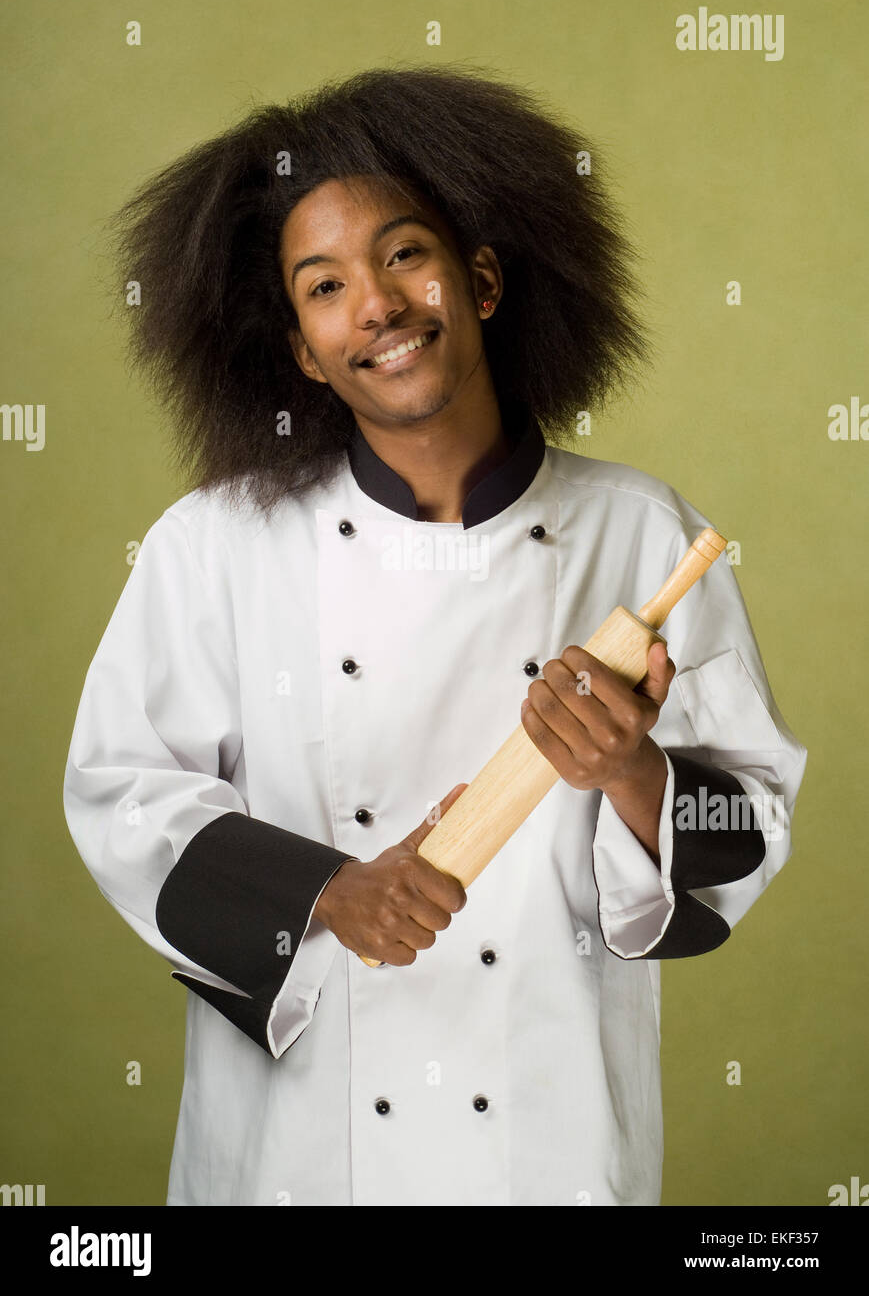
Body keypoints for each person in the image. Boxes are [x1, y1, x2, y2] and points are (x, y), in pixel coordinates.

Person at [63, 65, 807, 1206]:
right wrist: (325, 893)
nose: (376, 304)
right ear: (304, 352)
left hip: (548, 1139)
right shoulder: (211, 547)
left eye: (404, 253)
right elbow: (120, 795)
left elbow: (743, 816)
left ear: (482, 278)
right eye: (323, 286)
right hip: (298, 1149)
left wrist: (633, 771)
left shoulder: (642, 534)